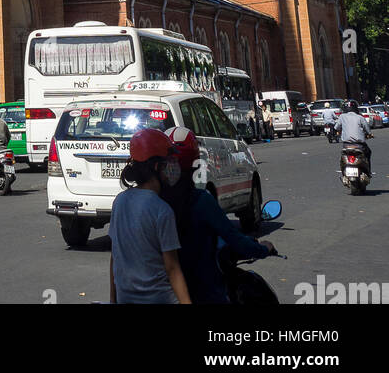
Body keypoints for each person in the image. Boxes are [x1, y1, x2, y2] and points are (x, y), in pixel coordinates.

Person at [161, 126, 276, 304]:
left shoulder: (151, 202)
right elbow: (233, 237)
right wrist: (262, 249)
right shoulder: (201, 201)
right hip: (205, 292)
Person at [109, 128, 190, 305]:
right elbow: (173, 269)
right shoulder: (162, 210)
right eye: (169, 161)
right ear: (156, 167)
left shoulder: (119, 202)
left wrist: (113, 299)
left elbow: (115, 257)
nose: (173, 166)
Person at [338, 100, 372, 167]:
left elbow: (336, 127)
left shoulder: (342, 117)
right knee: (368, 153)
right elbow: (367, 129)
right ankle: (368, 172)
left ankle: (343, 173)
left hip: (346, 145)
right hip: (359, 145)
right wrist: (370, 134)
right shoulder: (360, 117)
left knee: (342, 158)